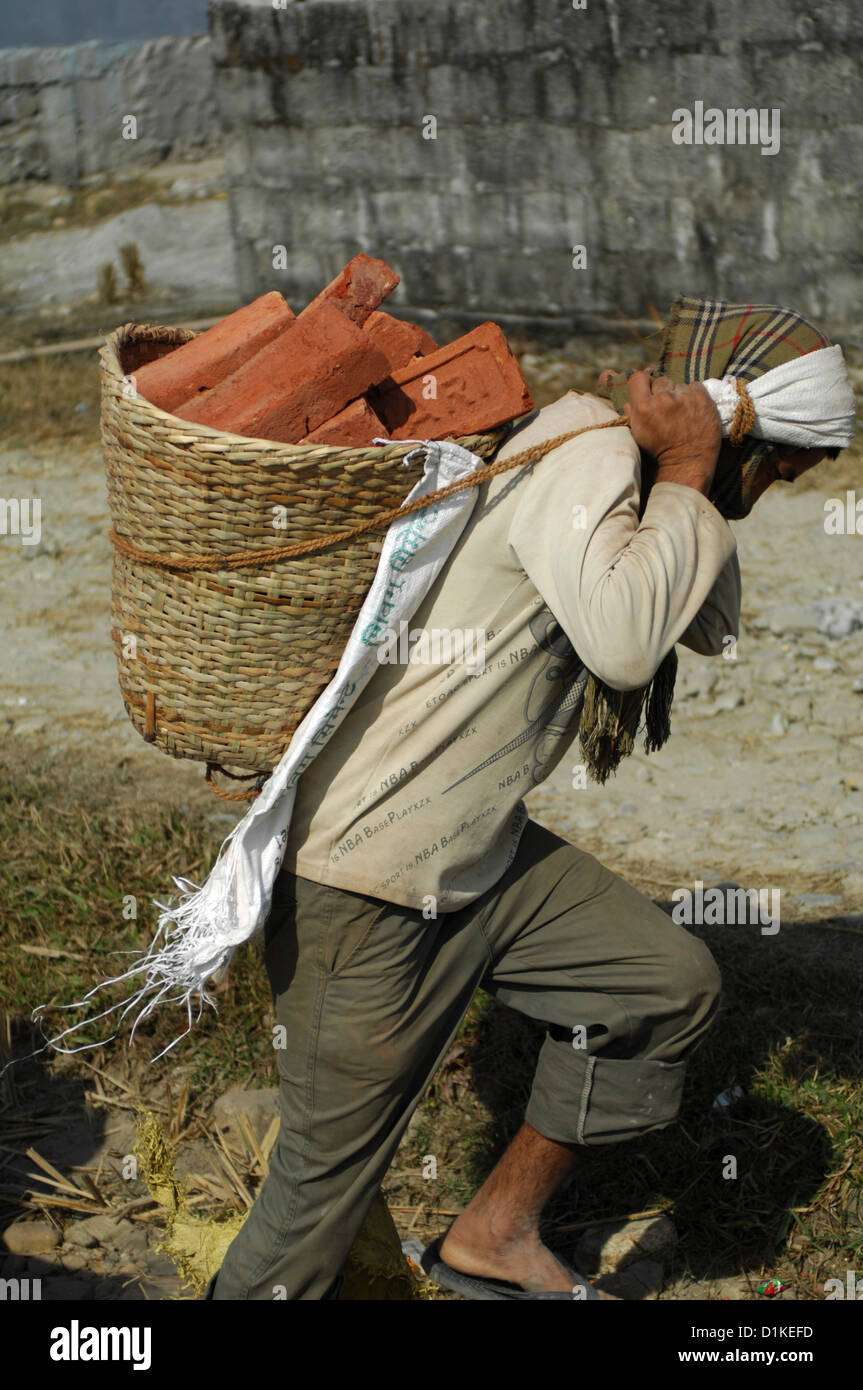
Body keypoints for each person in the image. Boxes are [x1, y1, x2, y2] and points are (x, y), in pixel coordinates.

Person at [208, 295, 854, 1301]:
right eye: (775, 467)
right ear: (743, 431)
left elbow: (701, 621)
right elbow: (626, 638)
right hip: (366, 874)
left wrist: (696, 484)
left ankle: (493, 1232)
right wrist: (688, 468)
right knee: (313, 1207)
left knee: (657, 984)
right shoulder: (581, 451)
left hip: (474, 854)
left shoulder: (632, 479)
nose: (765, 491)